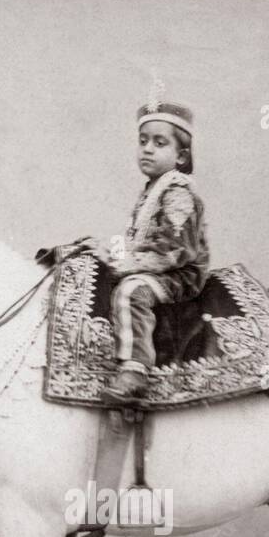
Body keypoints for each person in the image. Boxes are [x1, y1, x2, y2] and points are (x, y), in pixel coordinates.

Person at [96, 101, 210, 405]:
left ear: (181, 155)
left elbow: (174, 249)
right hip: (159, 265)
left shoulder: (178, 192)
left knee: (132, 291)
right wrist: (110, 252)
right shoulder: (153, 190)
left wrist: (126, 265)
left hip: (180, 274)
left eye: (160, 143)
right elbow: (139, 239)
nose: (147, 149)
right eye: (143, 141)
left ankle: (135, 372)